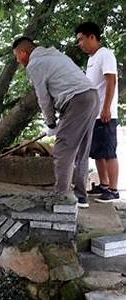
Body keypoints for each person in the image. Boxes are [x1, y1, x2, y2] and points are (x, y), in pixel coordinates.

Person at [12, 37, 99, 208]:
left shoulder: (35, 64)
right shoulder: (55, 55)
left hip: (77, 100)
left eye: (16, 56)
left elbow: (43, 98)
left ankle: (61, 198)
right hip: (91, 96)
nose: (17, 60)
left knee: (63, 150)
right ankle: (81, 197)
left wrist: (51, 123)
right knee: (81, 149)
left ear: (23, 53)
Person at [76, 22, 120, 202]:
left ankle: (113, 189)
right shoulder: (91, 58)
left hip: (105, 114)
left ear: (92, 37)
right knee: (97, 152)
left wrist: (106, 108)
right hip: (93, 114)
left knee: (109, 152)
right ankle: (103, 185)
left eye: (81, 39)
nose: (79, 44)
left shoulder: (105, 54)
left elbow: (111, 81)